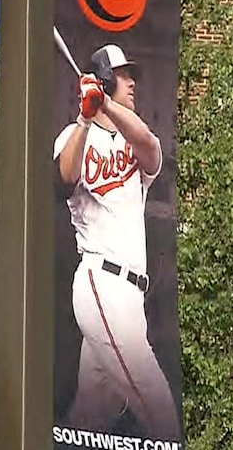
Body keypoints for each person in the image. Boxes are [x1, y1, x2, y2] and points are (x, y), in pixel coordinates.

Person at [52, 43, 180, 439]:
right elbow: (62, 180)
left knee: (89, 419)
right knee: (160, 414)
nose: (132, 83)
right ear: (105, 80)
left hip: (131, 298)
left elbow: (151, 147)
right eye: (124, 76)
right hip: (100, 282)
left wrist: (105, 106)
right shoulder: (74, 135)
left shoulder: (131, 135)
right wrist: (85, 119)